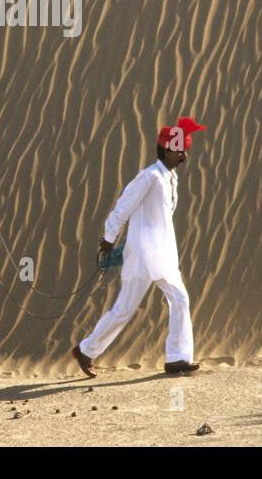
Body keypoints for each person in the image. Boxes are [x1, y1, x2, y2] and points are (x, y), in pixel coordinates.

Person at [72, 116, 206, 377]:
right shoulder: (150, 177)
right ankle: (86, 350)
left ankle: (177, 358)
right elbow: (124, 206)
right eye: (181, 151)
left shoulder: (169, 179)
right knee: (126, 309)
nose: (185, 157)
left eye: (186, 151)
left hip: (161, 255)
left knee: (178, 298)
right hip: (145, 256)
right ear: (167, 150)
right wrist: (109, 239)